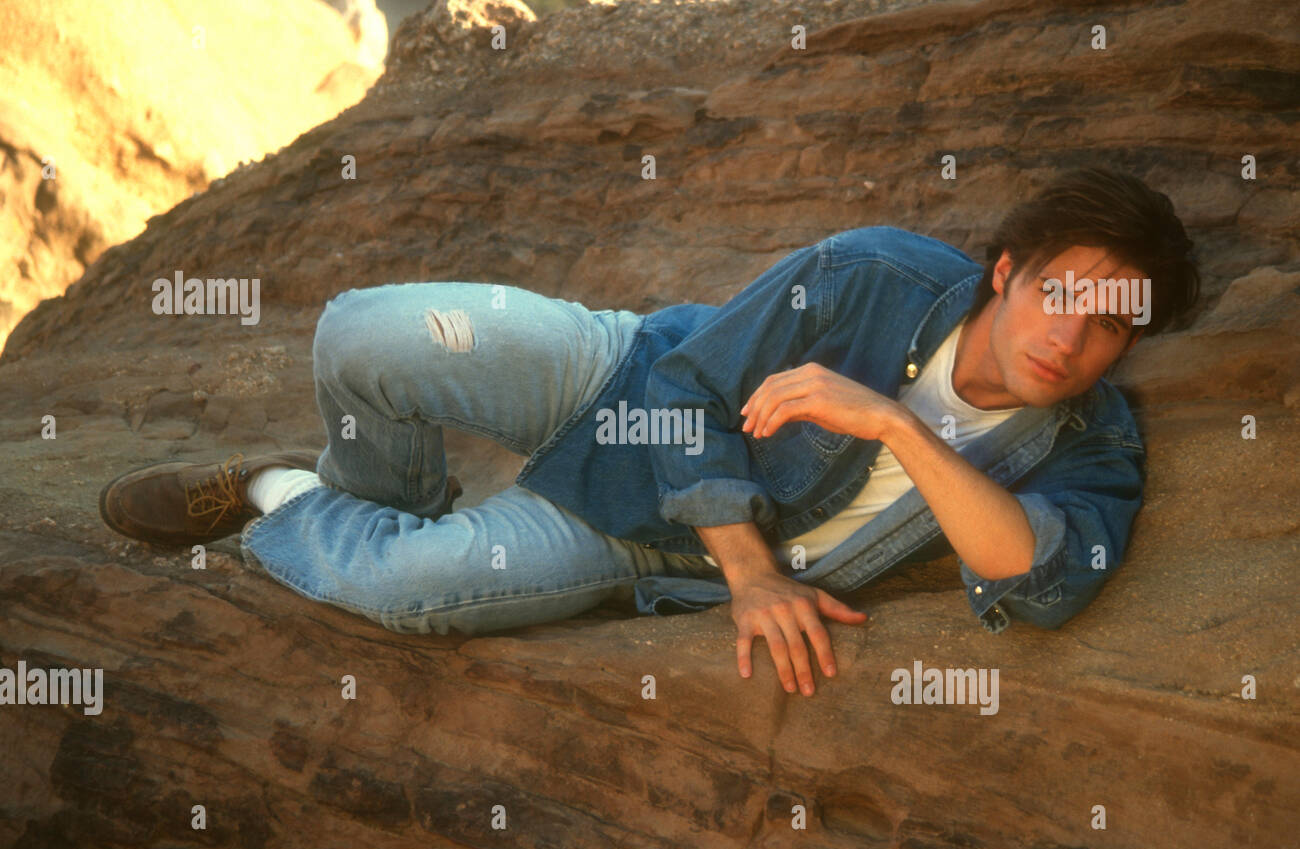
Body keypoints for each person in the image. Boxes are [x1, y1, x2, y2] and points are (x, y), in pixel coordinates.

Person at [99, 166, 1200, 698]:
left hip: (641, 541)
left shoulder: (1088, 444)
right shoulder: (876, 273)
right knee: (366, 333)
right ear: (1007, 271)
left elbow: (1041, 582)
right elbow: (683, 382)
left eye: (1111, 328)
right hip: (620, 371)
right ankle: (375, 490)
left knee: (408, 593)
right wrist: (752, 569)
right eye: (1061, 294)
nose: (1072, 340)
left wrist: (900, 433)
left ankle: (275, 495)